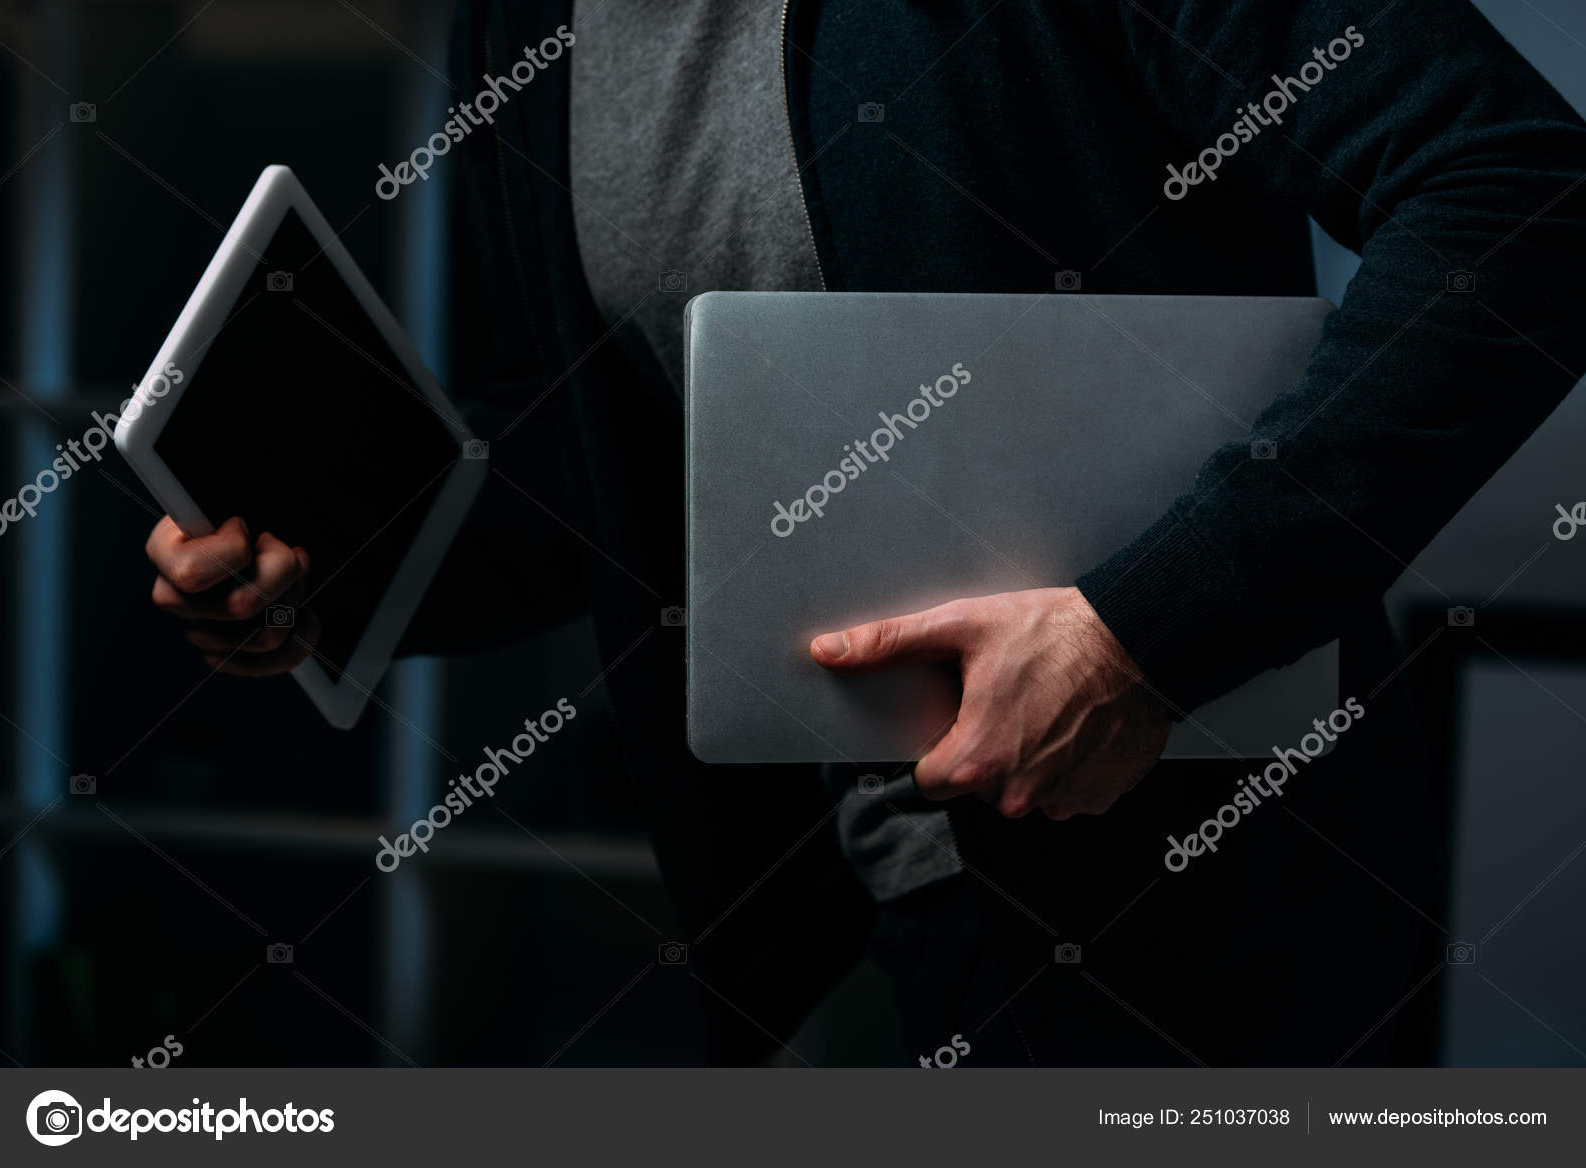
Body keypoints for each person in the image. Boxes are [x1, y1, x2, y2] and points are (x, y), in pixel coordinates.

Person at [141, 0, 1586, 1065]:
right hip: (830, 926)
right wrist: (333, 572)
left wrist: (1144, 630)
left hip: (1201, 910)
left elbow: (1525, 198)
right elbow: (622, 462)